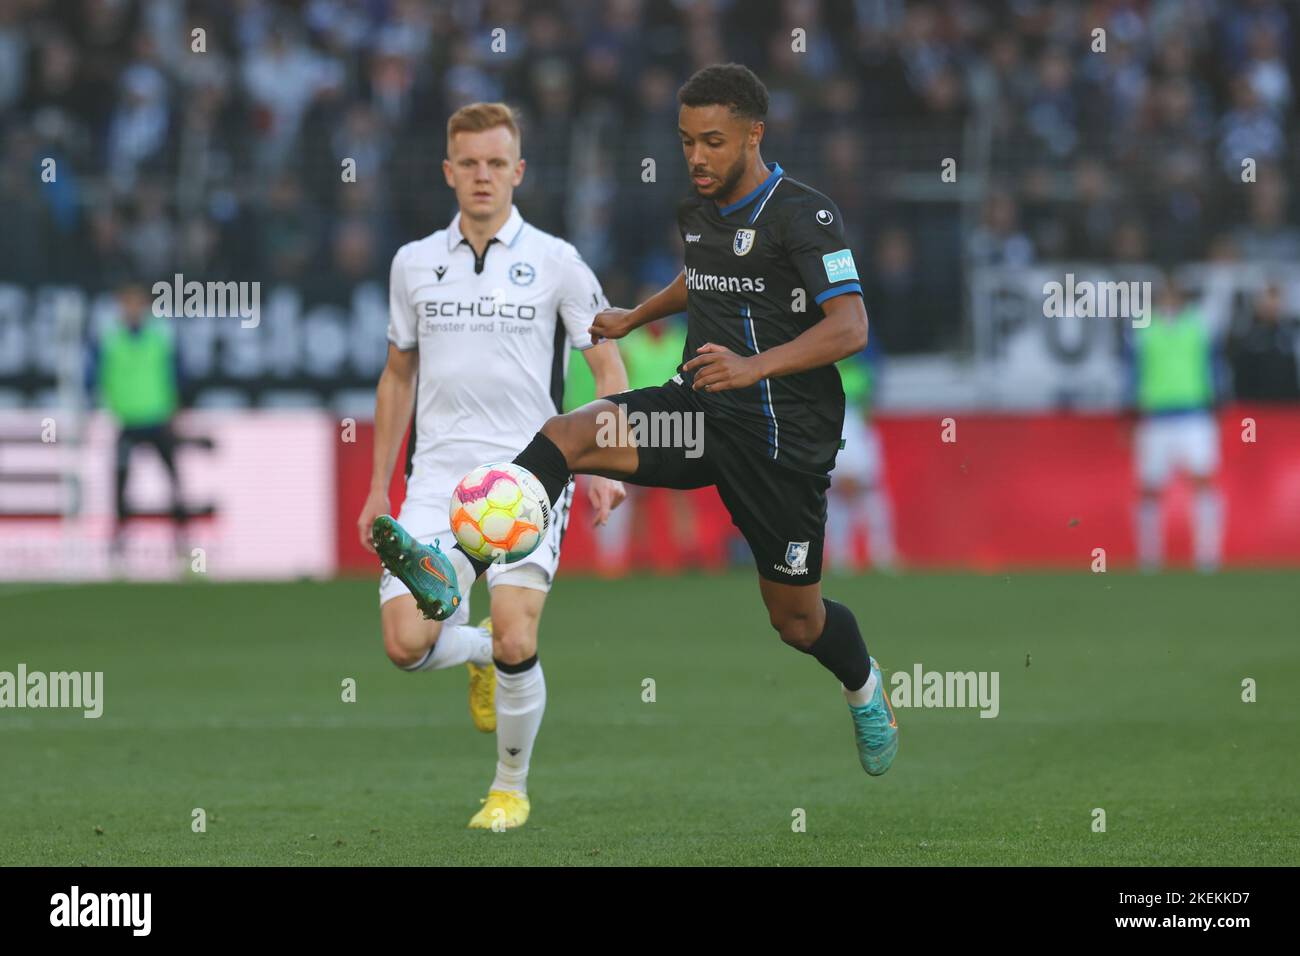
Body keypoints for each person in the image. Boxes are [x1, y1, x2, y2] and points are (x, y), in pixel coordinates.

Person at [375, 64, 898, 782]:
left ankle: (865, 688)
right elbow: (703, 277)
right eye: (686, 141)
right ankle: (456, 567)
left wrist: (753, 367)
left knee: (796, 622)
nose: (697, 157)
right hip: (697, 414)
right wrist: (637, 316)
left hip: (779, 444)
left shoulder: (807, 215)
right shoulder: (699, 212)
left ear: (754, 134)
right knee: (567, 435)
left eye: (713, 141)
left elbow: (851, 327)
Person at [357, 103, 628, 830]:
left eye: (496, 163)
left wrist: (607, 464)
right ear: (449, 172)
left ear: (519, 171)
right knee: (404, 643)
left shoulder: (559, 263)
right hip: (437, 481)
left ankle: (509, 787)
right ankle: (475, 655)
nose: (483, 176)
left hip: (528, 478)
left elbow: (608, 366)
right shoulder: (414, 263)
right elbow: (396, 376)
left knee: (517, 632)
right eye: (469, 164)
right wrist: (379, 487)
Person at [1128, 274, 1224, 571]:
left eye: (1175, 294)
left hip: (1194, 414)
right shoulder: (1144, 327)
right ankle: (1149, 558)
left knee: (1203, 480)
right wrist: (1130, 409)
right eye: (1165, 294)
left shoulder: (1199, 325)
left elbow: (1215, 364)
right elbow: (1131, 369)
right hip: (1155, 416)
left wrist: (1217, 399)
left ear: (1183, 297)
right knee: (1149, 486)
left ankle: (1207, 556)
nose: (1170, 300)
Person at [89, 279, 188, 558]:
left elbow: (178, 372)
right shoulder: (109, 339)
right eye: (127, 302)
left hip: (158, 419)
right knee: (120, 483)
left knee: (175, 481)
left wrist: (177, 405)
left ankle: (183, 542)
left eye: (136, 302)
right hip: (127, 421)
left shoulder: (161, 335)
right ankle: (119, 545)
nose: (132, 308)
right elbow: (95, 377)